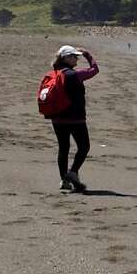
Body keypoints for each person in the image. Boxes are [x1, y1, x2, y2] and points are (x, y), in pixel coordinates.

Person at [49, 45, 99, 192]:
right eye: (74, 56)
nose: (76, 58)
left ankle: (64, 180)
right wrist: (88, 55)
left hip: (57, 118)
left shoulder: (54, 74)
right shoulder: (75, 75)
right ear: (66, 58)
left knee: (63, 148)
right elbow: (94, 70)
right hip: (75, 118)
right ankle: (73, 172)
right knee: (84, 147)